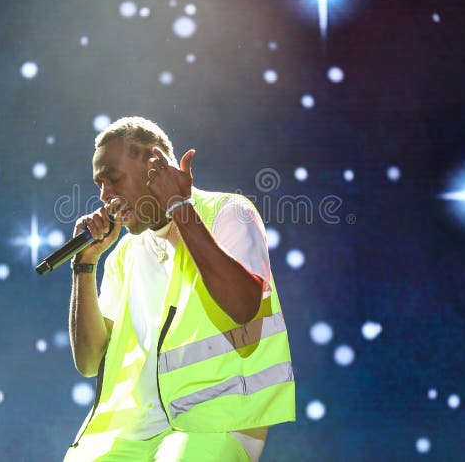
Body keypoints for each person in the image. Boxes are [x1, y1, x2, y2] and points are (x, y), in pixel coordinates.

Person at [63, 117, 295, 461]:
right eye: (99, 184)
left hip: (216, 420)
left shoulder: (228, 213)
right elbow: (88, 362)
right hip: (135, 430)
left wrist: (180, 207)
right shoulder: (123, 255)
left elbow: (244, 307)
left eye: (114, 179)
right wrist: (84, 265)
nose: (105, 196)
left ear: (156, 166)